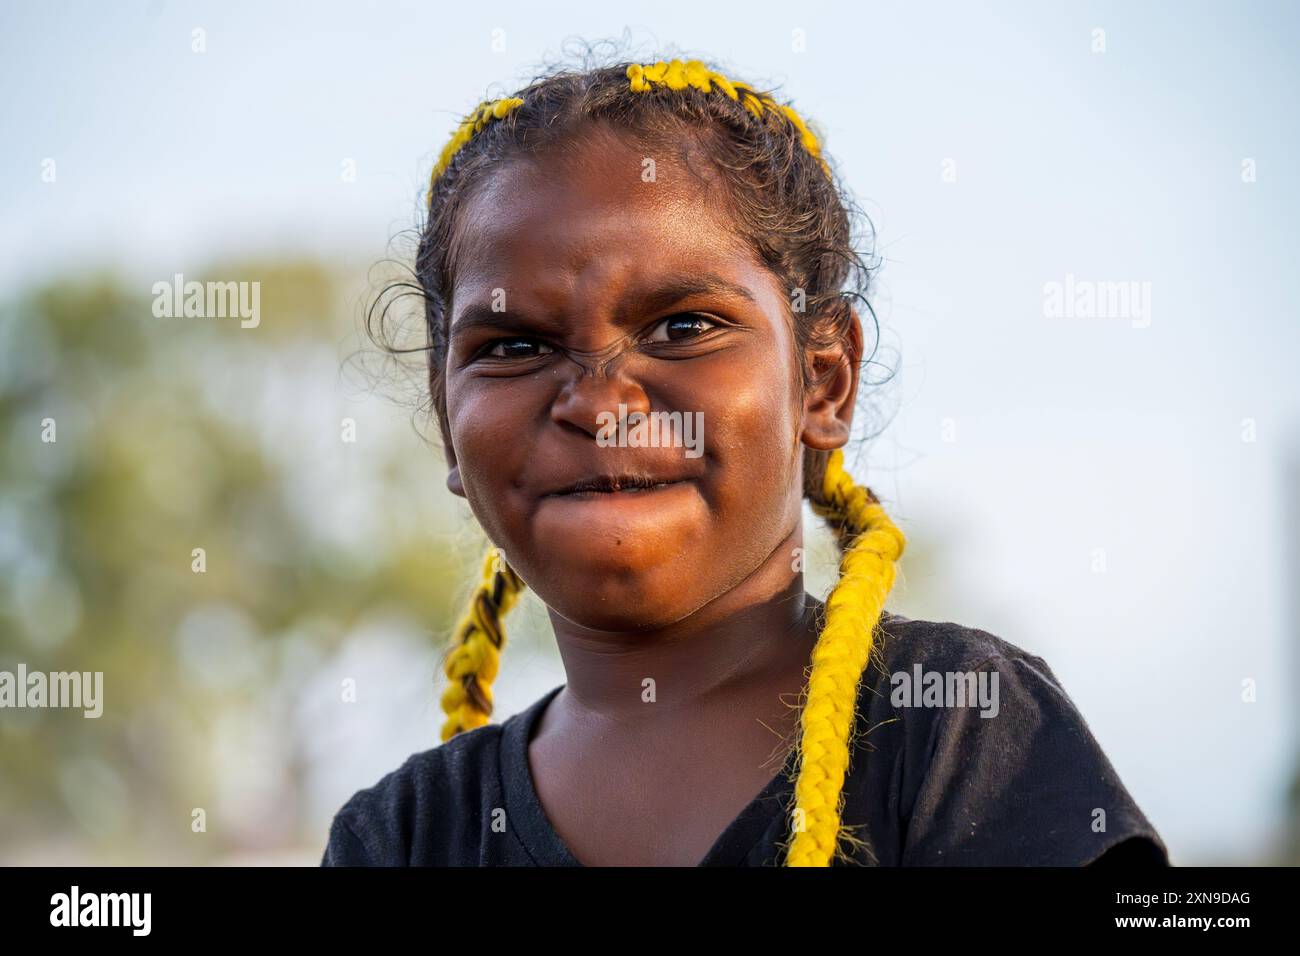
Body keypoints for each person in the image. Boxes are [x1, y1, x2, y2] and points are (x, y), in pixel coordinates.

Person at [322, 56, 1169, 867]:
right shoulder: (400, 836)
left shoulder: (955, 720)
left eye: (682, 327)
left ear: (823, 384)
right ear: (446, 423)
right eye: (512, 345)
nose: (598, 405)